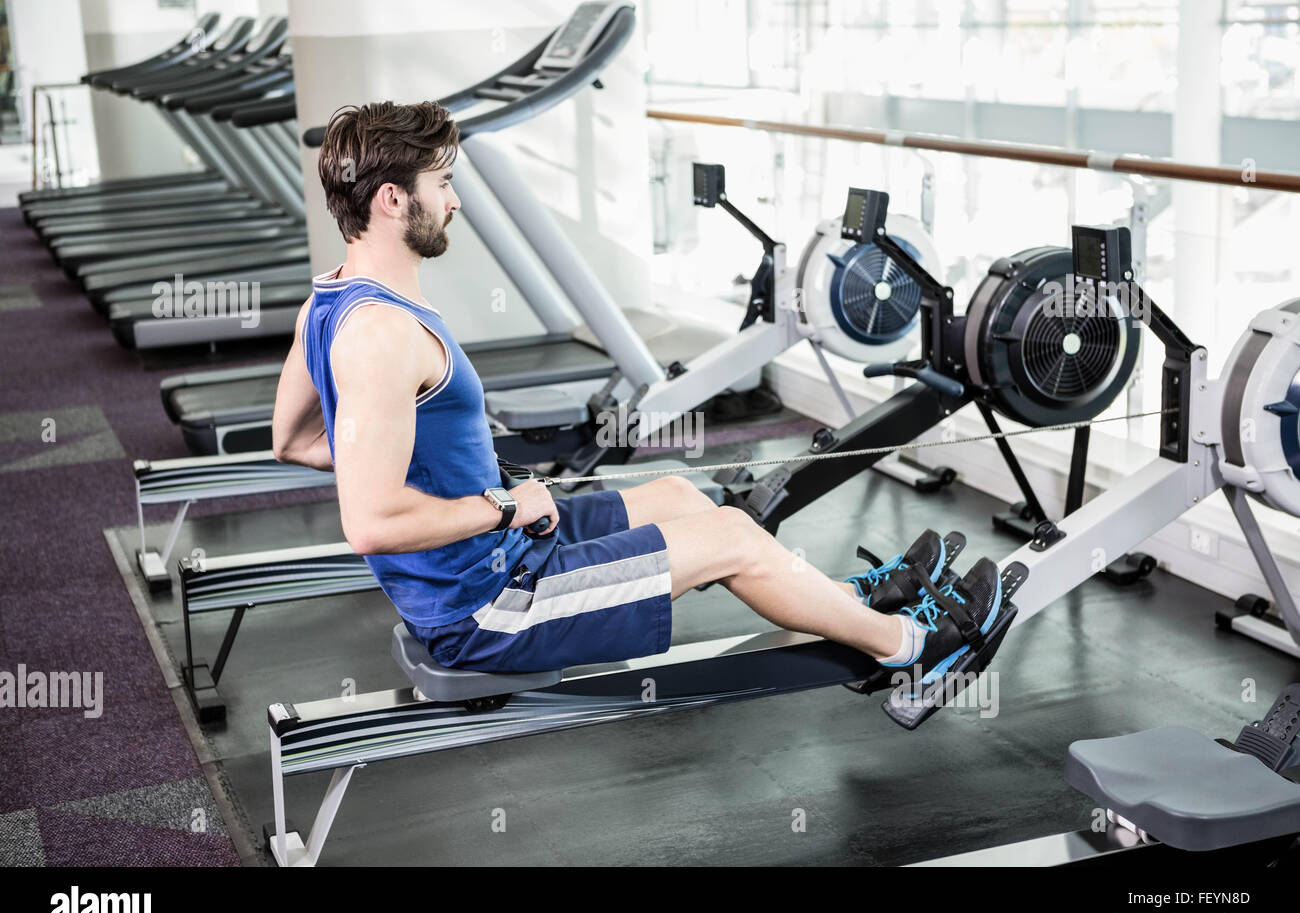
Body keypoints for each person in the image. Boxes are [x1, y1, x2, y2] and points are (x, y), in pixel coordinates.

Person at [272, 100, 1002, 684]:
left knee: (683, 494)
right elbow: (370, 525)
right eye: (443, 184)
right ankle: (911, 646)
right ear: (394, 199)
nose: (455, 201)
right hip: (488, 607)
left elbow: (294, 441)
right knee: (730, 539)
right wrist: (499, 506)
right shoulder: (381, 332)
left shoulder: (327, 302)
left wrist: (416, 473)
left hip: (497, 549)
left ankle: (849, 602)